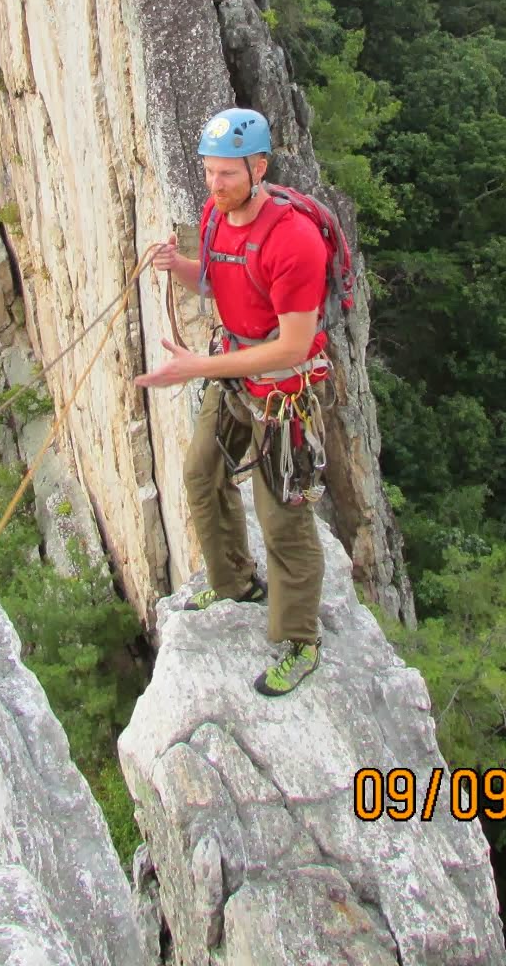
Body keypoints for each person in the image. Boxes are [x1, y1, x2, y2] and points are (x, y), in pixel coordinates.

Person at [135, 107, 331, 697]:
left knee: (282, 513)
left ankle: (299, 640)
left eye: (225, 174)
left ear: (259, 167)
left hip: (283, 391)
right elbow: (215, 281)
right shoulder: (216, 217)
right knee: (201, 471)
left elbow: (292, 344)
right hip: (236, 375)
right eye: (207, 172)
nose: (213, 185)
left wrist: (197, 367)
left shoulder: (293, 240)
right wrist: (179, 267)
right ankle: (233, 582)